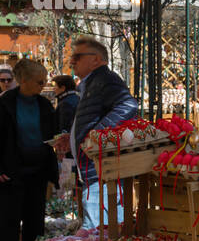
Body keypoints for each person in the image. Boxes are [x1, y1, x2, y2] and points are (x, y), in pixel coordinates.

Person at [0, 60, 58, 241]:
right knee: (10, 221)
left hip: (38, 170)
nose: (43, 85)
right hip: (11, 171)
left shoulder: (44, 104)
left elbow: (53, 132)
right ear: (23, 80)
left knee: (35, 220)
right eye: (39, 82)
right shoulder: (4, 103)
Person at [52, 38, 138, 227]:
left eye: (77, 56)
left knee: (99, 233)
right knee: (99, 232)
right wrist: (73, 137)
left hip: (101, 172)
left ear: (96, 59)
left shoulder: (105, 79)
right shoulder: (92, 83)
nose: (72, 61)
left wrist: (95, 134)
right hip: (95, 171)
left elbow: (128, 105)